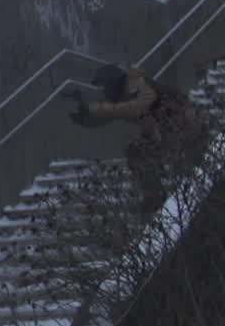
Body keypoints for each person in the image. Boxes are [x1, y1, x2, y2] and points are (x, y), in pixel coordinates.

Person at [68, 63, 209, 213]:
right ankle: (155, 195)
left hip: (184, 126)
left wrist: (95, 109)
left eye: (104, 86)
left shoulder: (137, 83)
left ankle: (188, 188)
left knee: (186, 166)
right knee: (136, 152)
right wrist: (84, 116)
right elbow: (107, 116)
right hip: (164, 131)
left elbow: (136, 107)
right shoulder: (120, 96)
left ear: (113, 82)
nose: (103, 91)